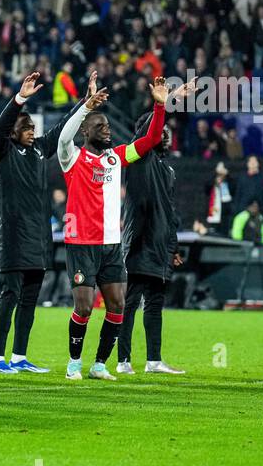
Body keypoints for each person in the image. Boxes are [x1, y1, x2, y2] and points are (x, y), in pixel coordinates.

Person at [58, 72, 166, 381]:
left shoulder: (116, 159)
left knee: (117, 304)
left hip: (111, 244)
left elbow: (150, 141)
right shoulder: (72, 157)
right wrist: (85, 105)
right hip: (80, 244)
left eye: (107, 126)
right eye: (100, 126)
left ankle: (99, 364)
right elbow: (64, 135)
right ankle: (73, 363)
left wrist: (159, 107)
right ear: (86, 131)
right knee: (84, 306)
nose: (107, 130)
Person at [117, 81, 194, 375]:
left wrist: (172, 246)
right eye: (160, 132)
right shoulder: (140, 158)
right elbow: (149, 130)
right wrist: (168, 100)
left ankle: (153, 360)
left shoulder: (168, 168)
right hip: (139, 240)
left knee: (155, 304)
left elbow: (169, 210)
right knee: (130, 302)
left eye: (167, 133)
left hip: (160, 243)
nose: (165, 135)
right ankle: (123, 360)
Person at [0, 71, 55, 374]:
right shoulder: (1, 152)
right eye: (25, 126)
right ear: (14, 131)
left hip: (39, 238)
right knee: (10, 295)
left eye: (33, 127)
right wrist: (19, 100)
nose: (31, 130)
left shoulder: (39, 150)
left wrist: (86, 104)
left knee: (29, 301)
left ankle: (19, 357)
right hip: (14, 236)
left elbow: (63, 129)